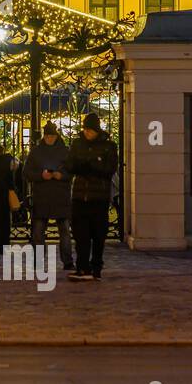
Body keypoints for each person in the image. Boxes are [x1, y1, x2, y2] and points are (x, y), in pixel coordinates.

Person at [66, 113, 119, 281]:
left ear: (97, 130)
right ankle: (83, 267)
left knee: (98, 234)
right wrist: (82, 166)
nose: (87, 133)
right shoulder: (77, 144)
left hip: (99, 197)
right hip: (80, 196)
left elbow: (109, 169)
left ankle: (96, 267)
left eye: (90, 130)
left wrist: (94, 166)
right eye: (85, 129)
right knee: (81, 234)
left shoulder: (109, 146)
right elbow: (69, 164)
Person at [23, 121, 74, 271]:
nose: (50, 139)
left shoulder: (65, 151)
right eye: (48, 136)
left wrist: (61, 175)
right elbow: (26, 173)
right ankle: (38, 261)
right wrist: (41, 175)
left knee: (64, 231)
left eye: (52, 136)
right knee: (38, 232)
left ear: (56, 136)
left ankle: (68, 261)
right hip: (43, 196)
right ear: (44, 137)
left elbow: (71, 171)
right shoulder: (36, 152)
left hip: (60, 196)